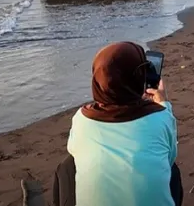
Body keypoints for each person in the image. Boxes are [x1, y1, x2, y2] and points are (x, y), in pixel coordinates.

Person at [58, 42, 181, 206]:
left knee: (68, 166)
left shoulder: (81, 119)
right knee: (170, 169)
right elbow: (170, 156)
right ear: (139, 78)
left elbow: (74, 149)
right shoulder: (161, 116)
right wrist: (163, 103)